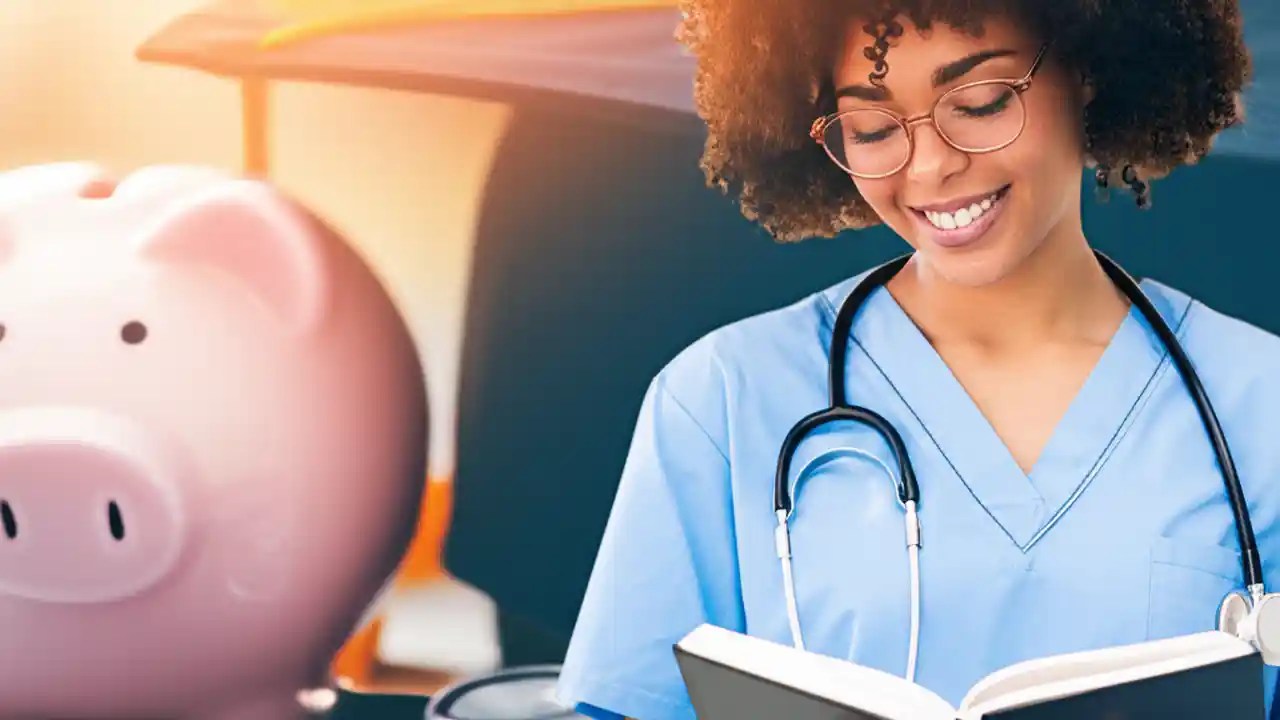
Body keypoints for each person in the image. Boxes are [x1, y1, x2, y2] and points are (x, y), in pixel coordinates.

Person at [553, 0, 1279, 718]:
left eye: (982, 102)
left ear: (1087, 69)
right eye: (870, 128)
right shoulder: (722, 401)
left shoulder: (1259, 404)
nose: (929, 168)